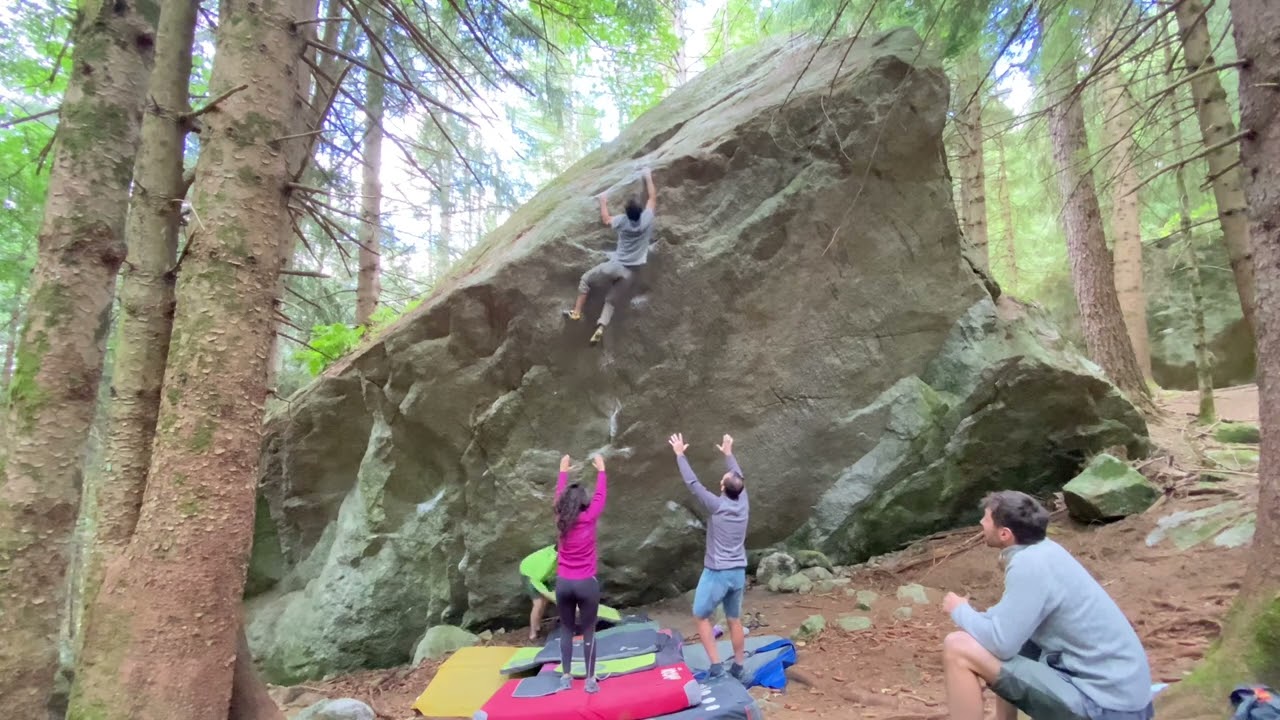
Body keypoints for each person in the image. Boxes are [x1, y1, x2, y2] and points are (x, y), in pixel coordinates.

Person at [941, 490, 1154, 720]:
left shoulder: (1029, 564)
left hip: (1105, 708)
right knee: (1020, 641)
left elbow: (1001, 644)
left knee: (957, 647)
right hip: (1122, 699)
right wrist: (974, 617)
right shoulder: (1046, 551)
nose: (981, 523)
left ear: (1004, 534)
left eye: (986, 519)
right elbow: (1006, 623)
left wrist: (959, 610)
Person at [667, 432, 749, 680]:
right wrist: (728, 454)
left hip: (717, 572)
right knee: (734, 619)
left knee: (700, 616)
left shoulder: (717, 505)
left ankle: (716, 666)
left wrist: (680, 455)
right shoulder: (743, 501)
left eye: (723, 479)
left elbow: (693, 484)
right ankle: (739, 666)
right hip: (738, 572)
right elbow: (738, 476)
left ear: (723, 488)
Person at [563, 168, 658, 345]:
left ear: (627, 213)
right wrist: (648, 176)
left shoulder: (622, 221)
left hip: (614, 266)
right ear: (640, 211)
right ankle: (601, 326)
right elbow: (652, 197)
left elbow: (606, 219)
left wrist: (603, 201)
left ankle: (576, 313)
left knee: (586, 280)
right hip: (630, 273)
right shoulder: (646, 219)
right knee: (611, 301)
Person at [554, 453, 608, 693]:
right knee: (588, 630)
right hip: (586, 583)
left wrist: (562, 471)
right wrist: (602, 471)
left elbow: (558, 496)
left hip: (564, 583)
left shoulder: (561, 520)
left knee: (566, 628)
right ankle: (590, 680)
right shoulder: (590, 517)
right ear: (583, 502)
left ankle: (566, 677)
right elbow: (600, 496)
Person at [518, 544, 557, 641]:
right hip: (530, 575)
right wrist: (554, 598)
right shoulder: (550, 562)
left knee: (545, 601)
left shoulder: (562, 552)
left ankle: (538, 626)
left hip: (543, 575)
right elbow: (538, 584)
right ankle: (533, 634)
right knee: (538, 603)